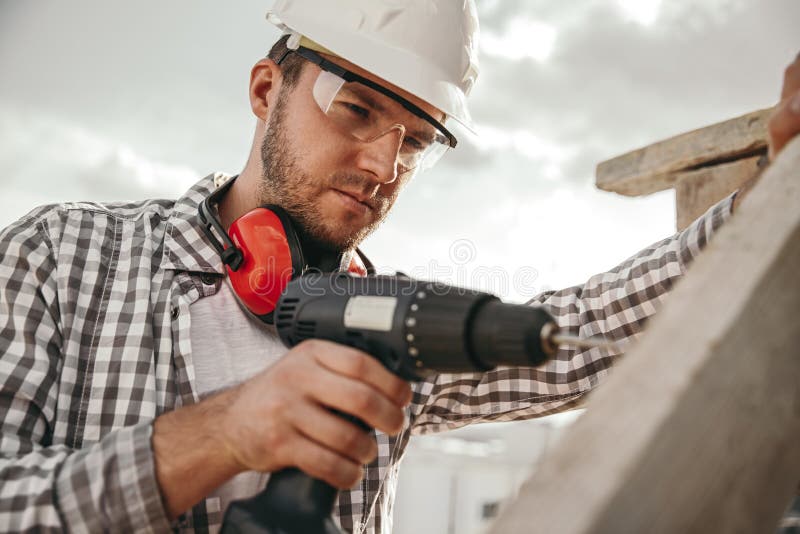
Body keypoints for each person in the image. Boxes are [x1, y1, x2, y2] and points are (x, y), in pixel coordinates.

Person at [1, 2, 798, 532]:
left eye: (417, 142)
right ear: (265, 88)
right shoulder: (60, 258)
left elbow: (591, 327)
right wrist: (222, 434)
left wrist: (777, 188)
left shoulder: (387, 330)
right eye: (357, 109)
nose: (385, 164)